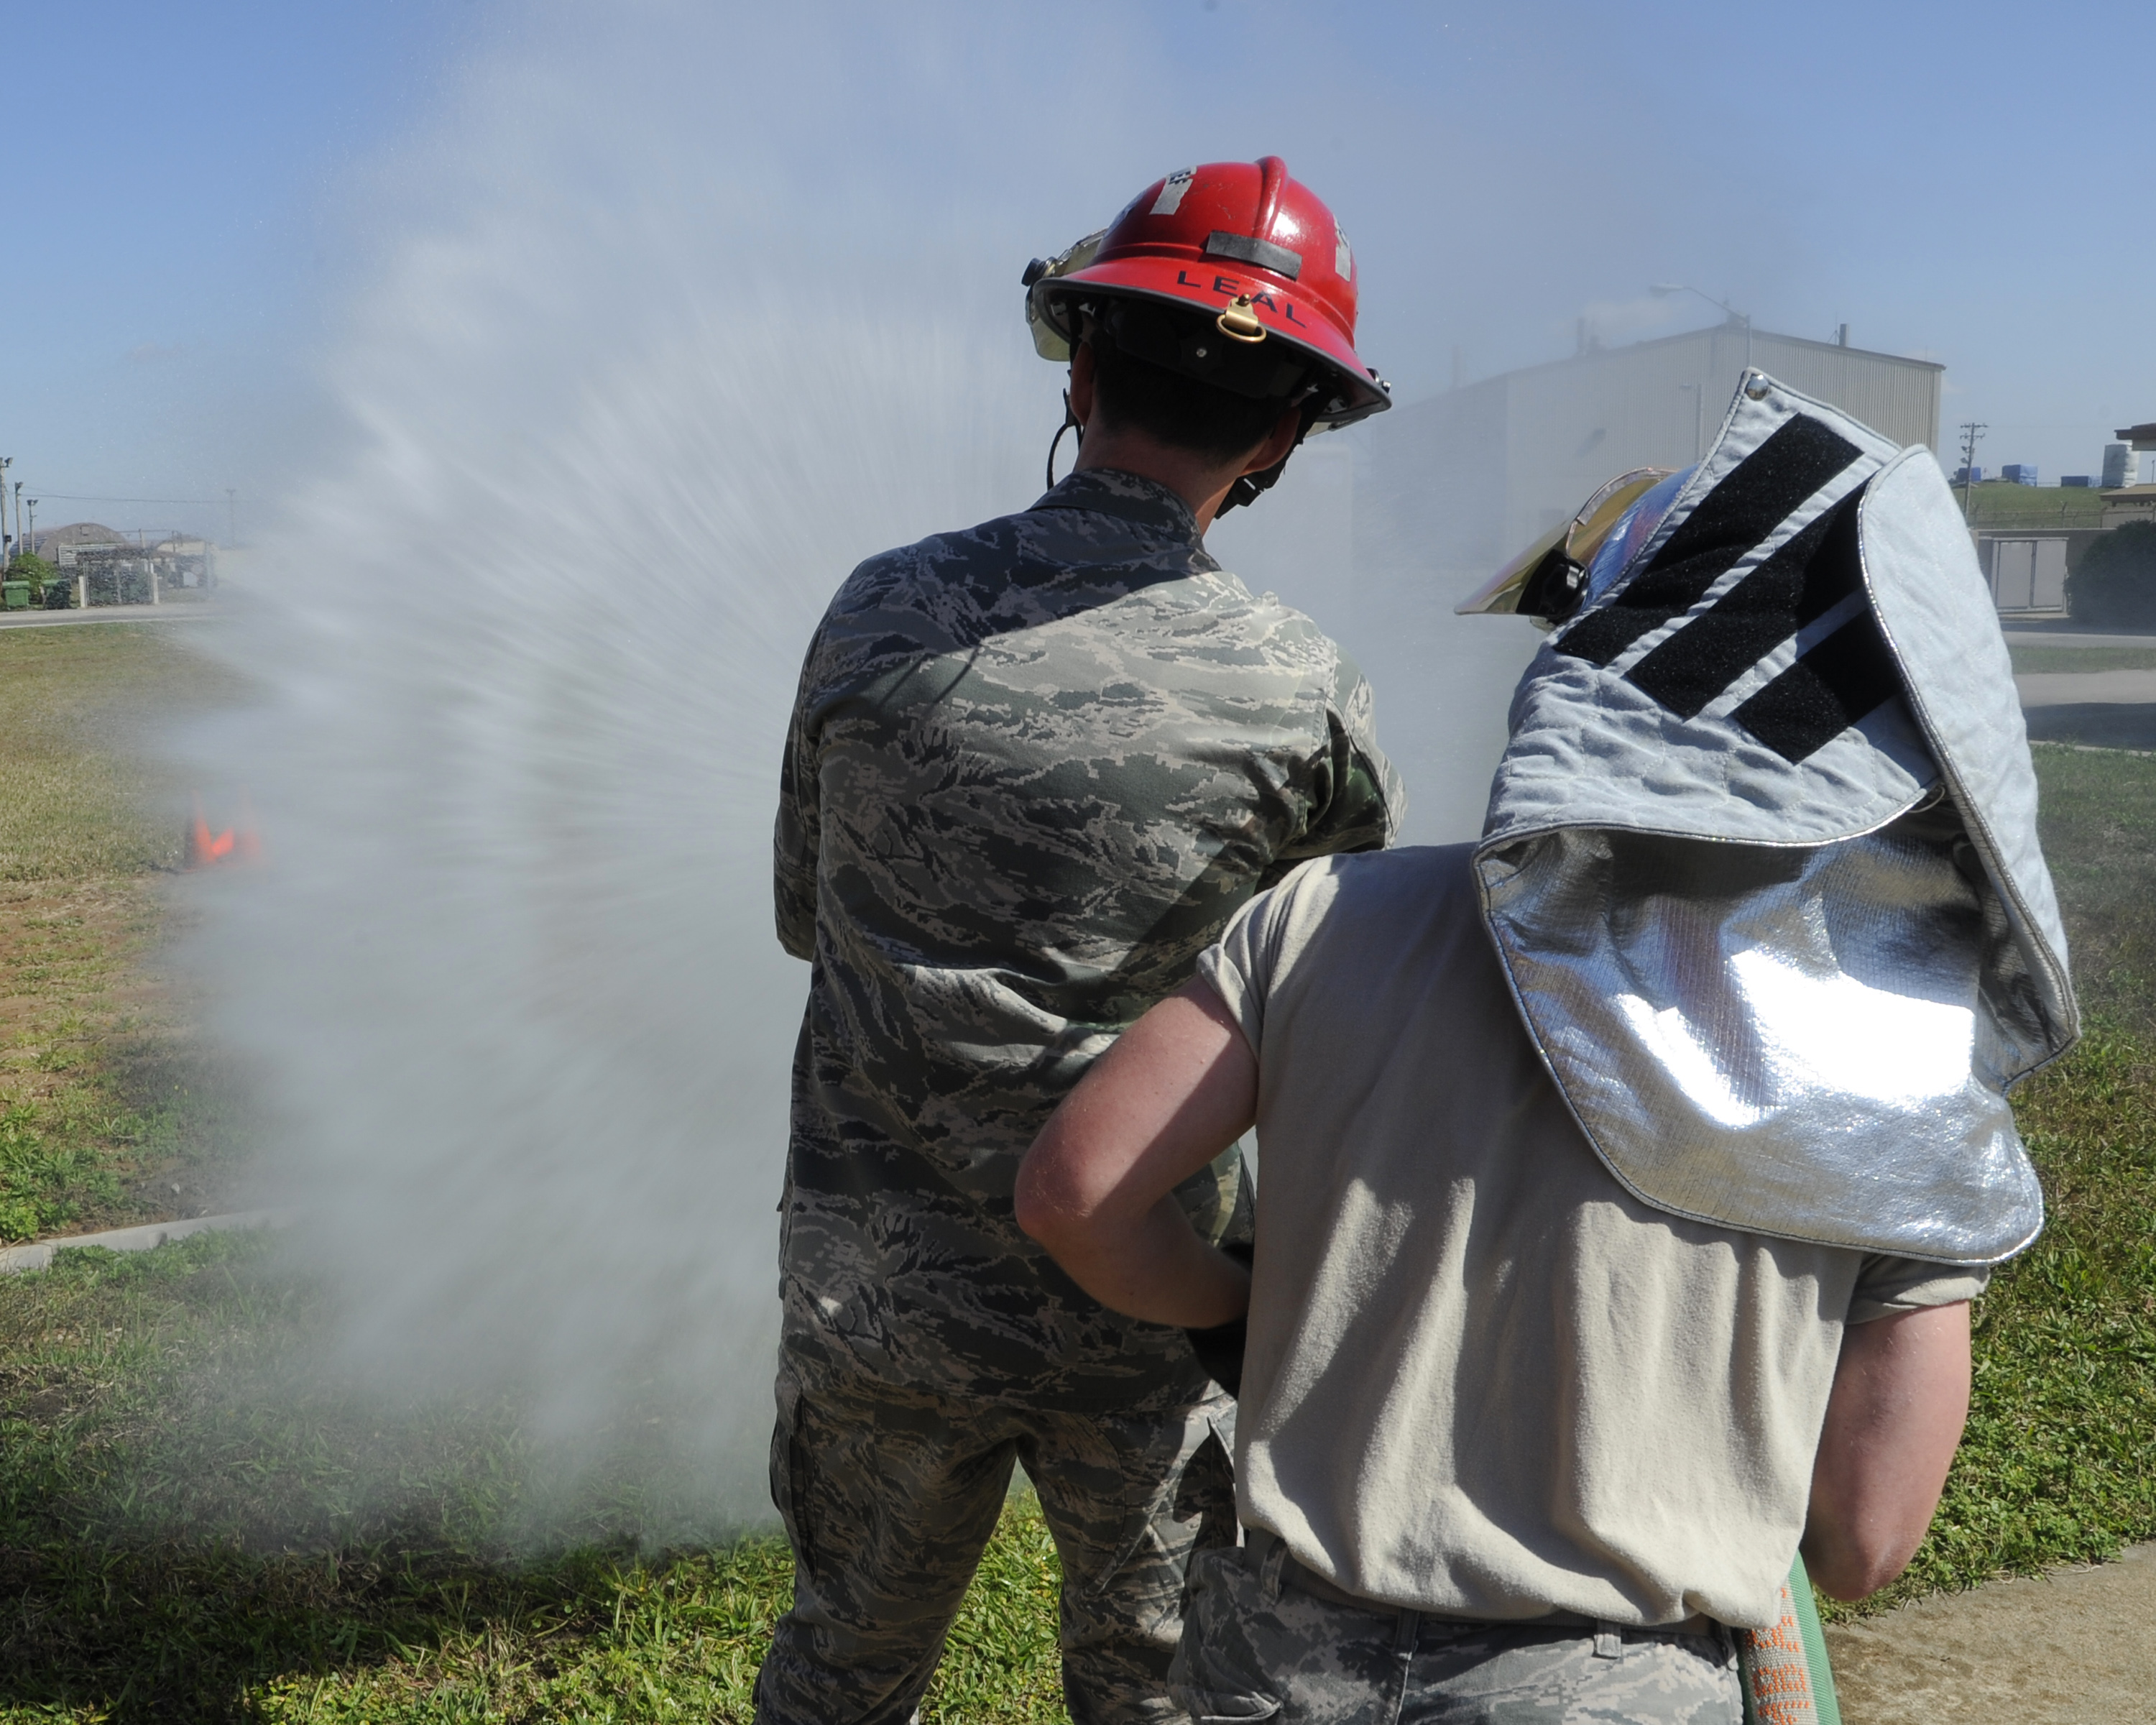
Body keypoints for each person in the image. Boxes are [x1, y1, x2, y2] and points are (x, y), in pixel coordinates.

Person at [1013, 375, 2059, 1724]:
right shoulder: (1906, 1050)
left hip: (1275, 1662)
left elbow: (1073, 1190)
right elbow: (1863, 1540)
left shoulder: (1326, 914)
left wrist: (1237, 1310)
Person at [757, 157, 1401, 1725]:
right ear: (1284, 435)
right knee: (1164, 1687)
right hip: (1160, 1307)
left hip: (879, 1294)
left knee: (846, 1662)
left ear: (1087, 359)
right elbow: (1323, 1034)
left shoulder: (879, 611)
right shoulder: (1301, 687)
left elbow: (802, 912)